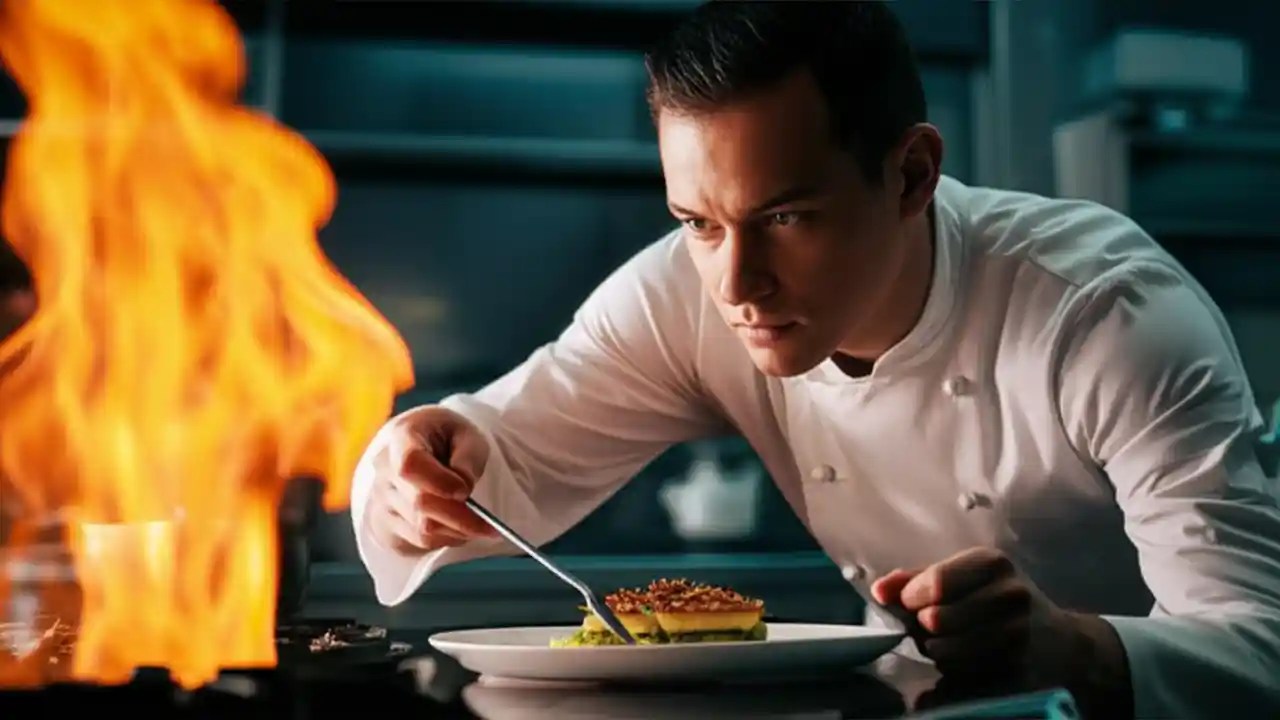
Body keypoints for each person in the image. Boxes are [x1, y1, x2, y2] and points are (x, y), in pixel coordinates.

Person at [350, 3, 1280, 717]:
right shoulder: (689, 287)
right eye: (699, 223)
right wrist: (420, 466)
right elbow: (501, 450)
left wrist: (1074, 651)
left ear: (911, 174)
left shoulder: (1102, 313)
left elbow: (1258, 649)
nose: (736, 281)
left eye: (786, 218)